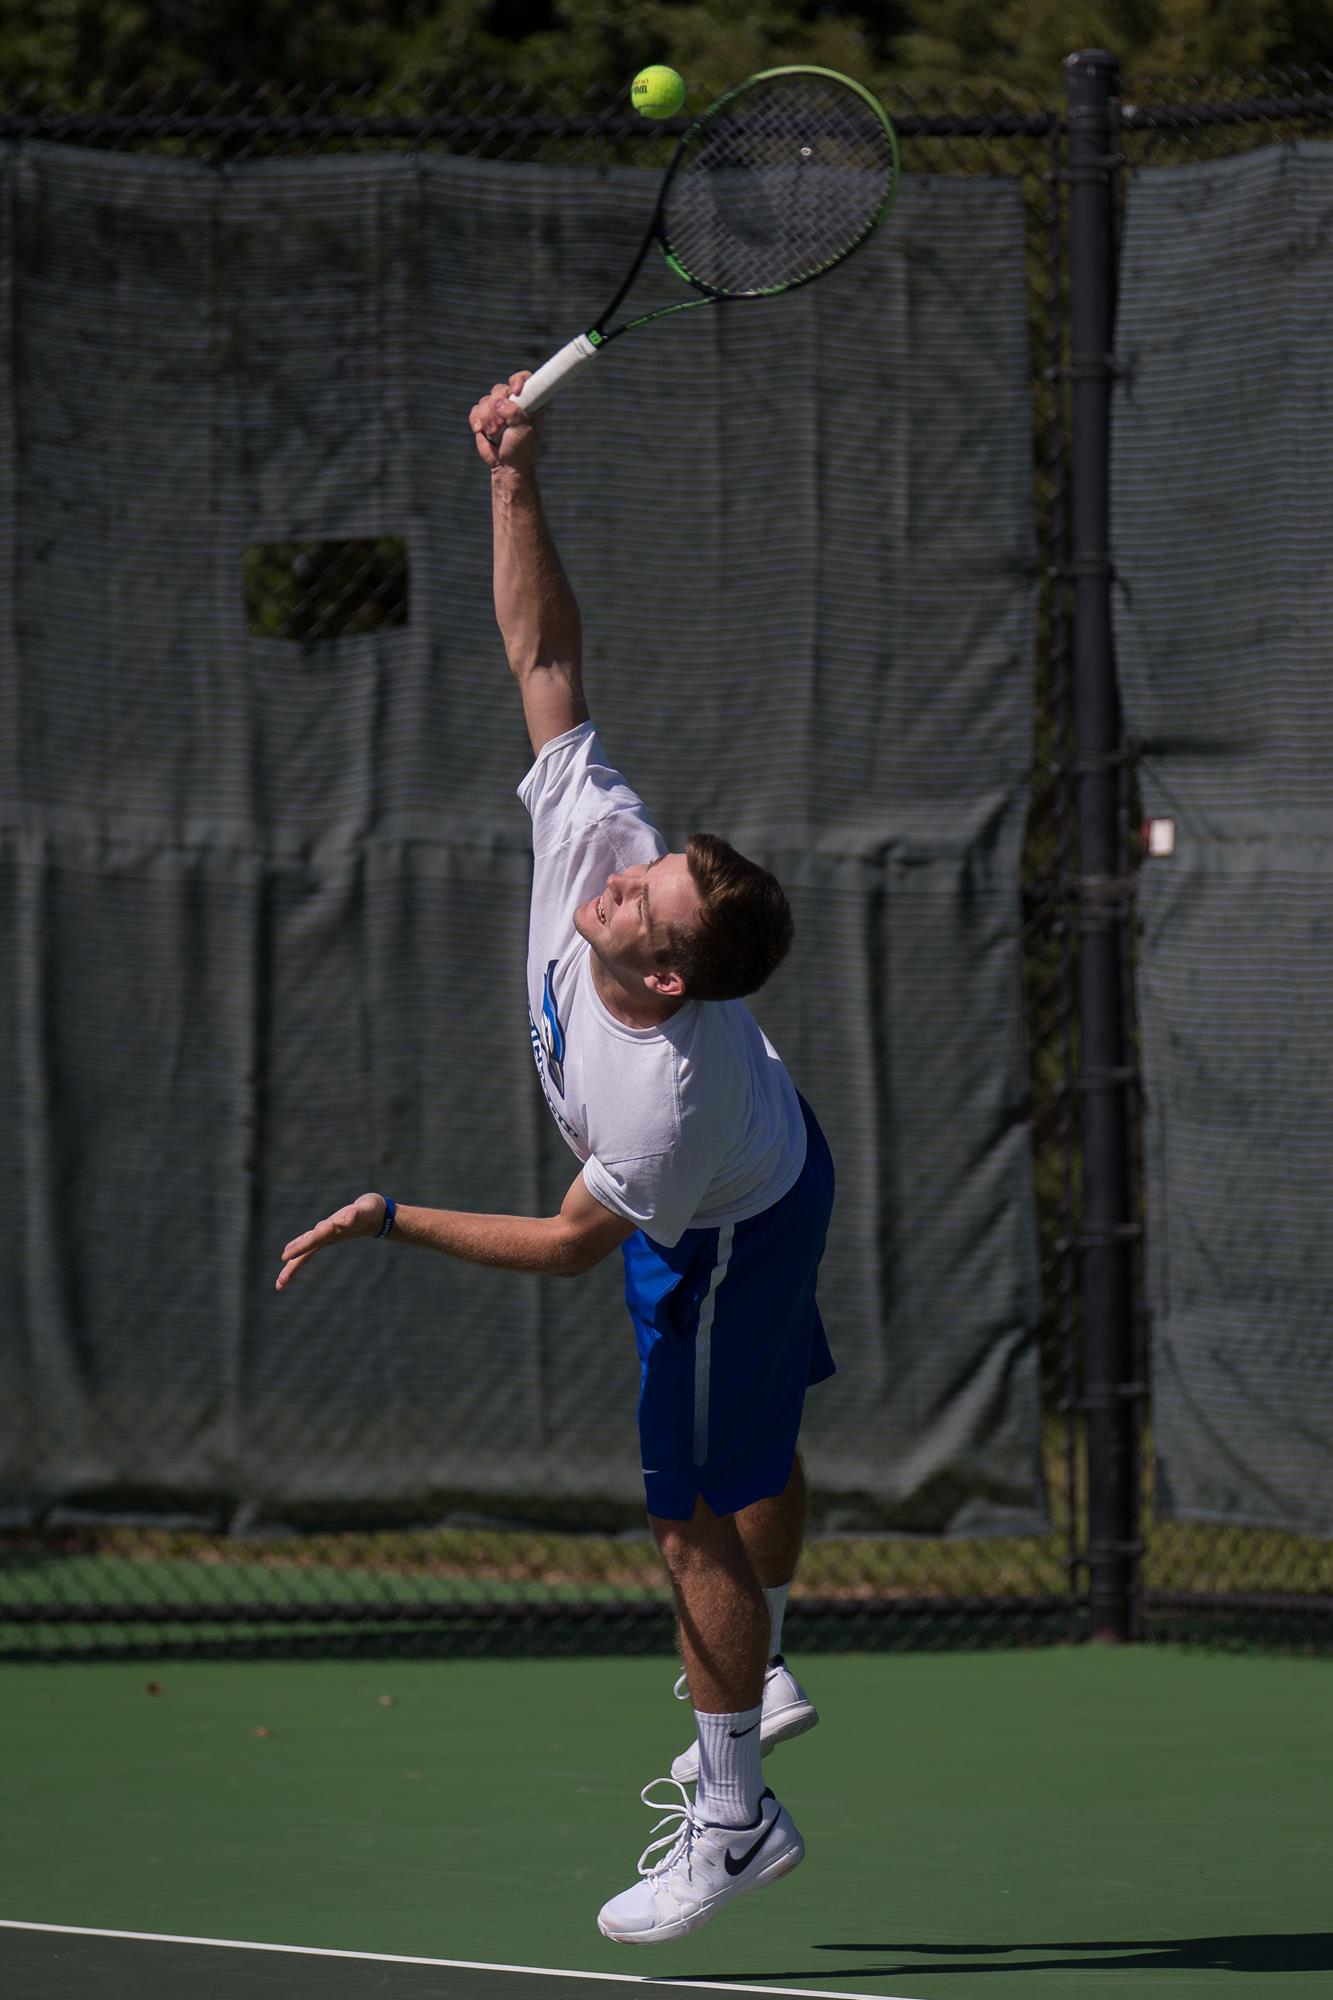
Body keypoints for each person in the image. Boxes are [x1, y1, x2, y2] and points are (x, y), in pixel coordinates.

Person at [276, 371, 837, 1945]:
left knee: (686, 1512)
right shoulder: (600, 835)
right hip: (781, 1162)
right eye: (646, 871)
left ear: (662, 974)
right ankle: (761, 1667)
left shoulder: (660, 1100)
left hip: (723, 1222)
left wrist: (390, 1215)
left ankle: (736, 1818)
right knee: (757, 1444)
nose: (618, 881)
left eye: (644, 903)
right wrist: (512, 472)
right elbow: (544, 655)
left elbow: (573, 1245)